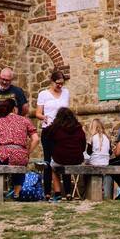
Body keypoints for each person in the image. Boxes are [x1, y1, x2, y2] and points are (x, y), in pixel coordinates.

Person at [0, 99, 39, 200]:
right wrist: (27, 153)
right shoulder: (25, 120)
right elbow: (36, 139)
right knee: (20, 164)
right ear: (14, 109)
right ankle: (16, 194)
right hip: (20, 155)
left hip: (2, 155)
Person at [35, 70, 70, 199]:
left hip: (63, 131)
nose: (60, 86)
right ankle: (48, 193)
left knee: (64, 160)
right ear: (52, 82)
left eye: (62, 83)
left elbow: (67, 111)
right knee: (48, 161)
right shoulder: (43, 94)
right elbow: (38, 113)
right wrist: (43, 117)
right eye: (58, 83)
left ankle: (68, 192)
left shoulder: (66, 93)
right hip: (49, 130)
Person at [47, 106, 87, 201]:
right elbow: (83, 145)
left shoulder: (55, 129)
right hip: (76, 159)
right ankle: (68, 193)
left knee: (53, 167)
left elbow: (50, 143)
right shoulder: (79, 128)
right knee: (66, 162)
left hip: (60, 158)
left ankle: (58, 193)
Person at [85, 118, 112, 197]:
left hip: (95, 162)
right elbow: (110, 152)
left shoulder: (92, 138)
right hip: (106, 163)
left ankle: (87, 193)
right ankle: (104, 191)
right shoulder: (107, 138)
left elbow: (88, 152)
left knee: (85, 168)